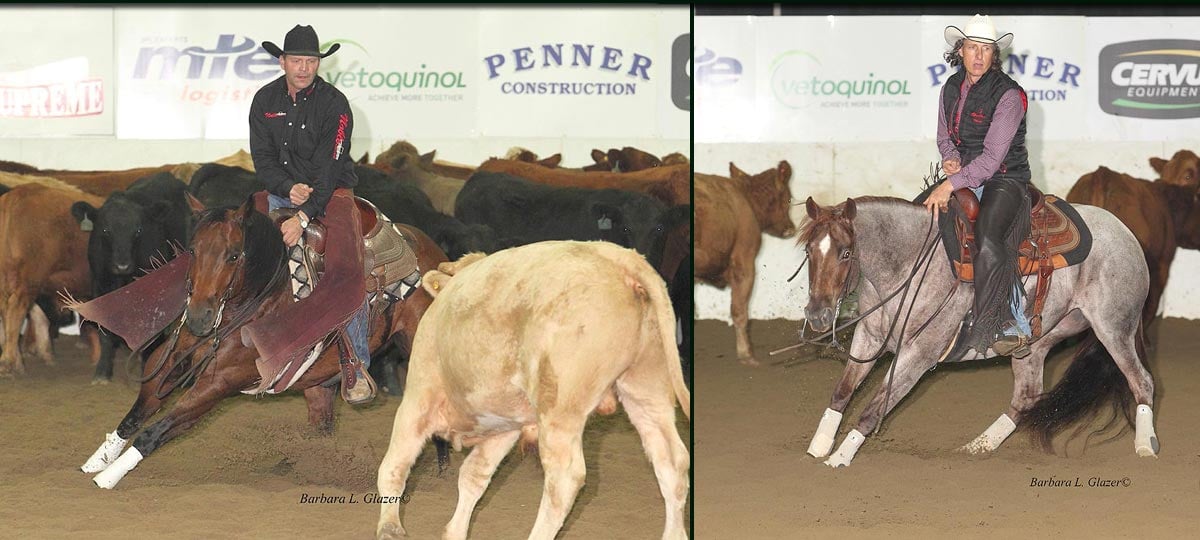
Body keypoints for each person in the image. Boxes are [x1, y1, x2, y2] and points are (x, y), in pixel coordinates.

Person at [248, 24, 375, 403]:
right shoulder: (263, 100)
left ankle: (355, 364)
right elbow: (262, 158)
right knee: (243, 254)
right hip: (282, 190)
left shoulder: (335, 104)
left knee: (343, 266)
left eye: (311, 61)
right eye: (297, 60)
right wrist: (287, 188)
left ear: (319, 63)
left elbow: (331, 166)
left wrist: (303, 215)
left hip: (331, 193)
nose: (304, 68)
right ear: (282, 61)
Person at [922, 15, 1033, 359]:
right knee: (919, 219)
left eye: (986, 50)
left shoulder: (1009, 95)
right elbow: (944, 136)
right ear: (961, 50)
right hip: (968, 173)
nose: (979, 56)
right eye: (972, 48)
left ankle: (999, 323)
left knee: (988, 238)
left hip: (1005, 177)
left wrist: (950, 183)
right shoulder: (951, 87)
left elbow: (992, 158)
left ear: (994, 55)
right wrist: (951, 157)